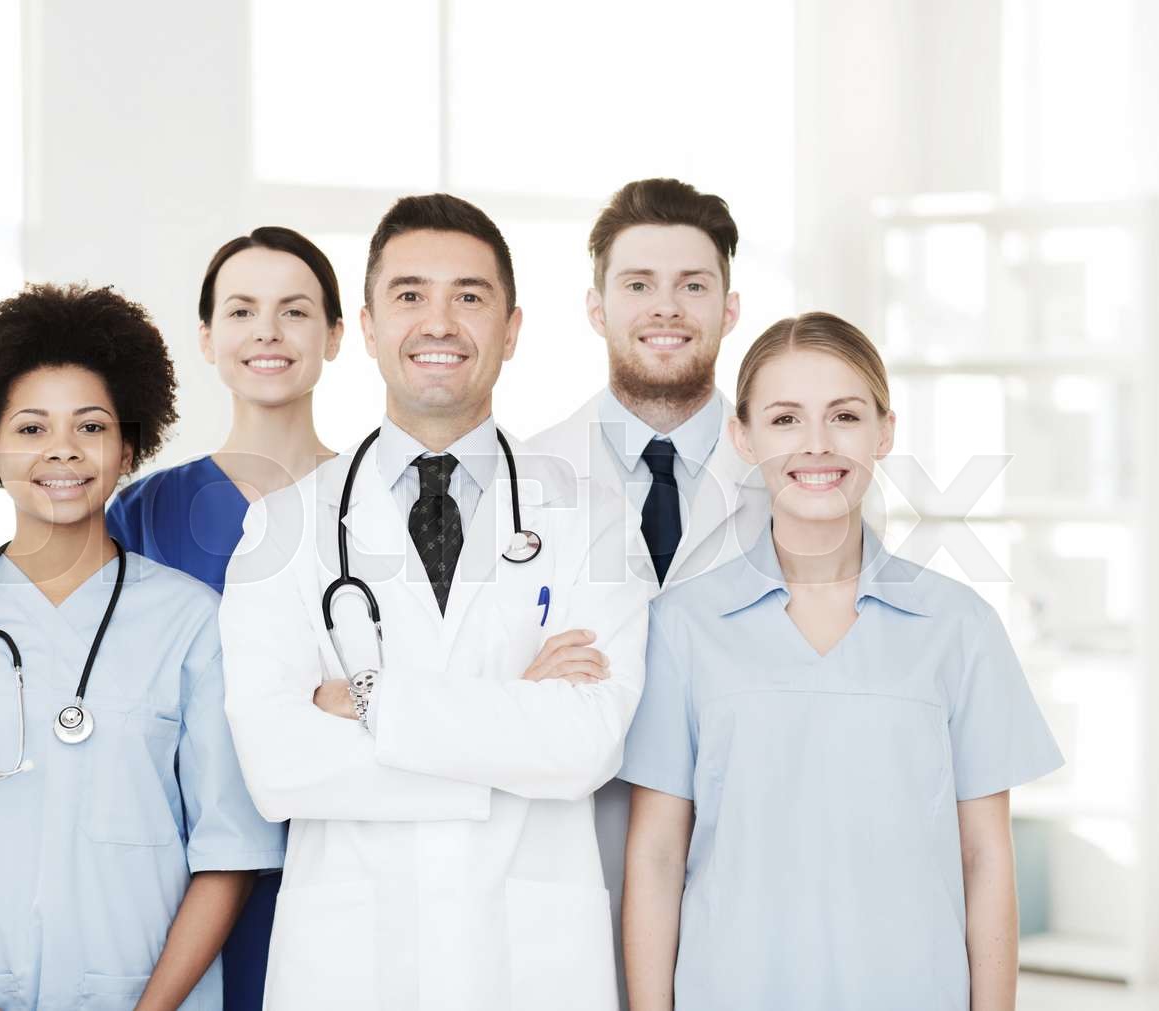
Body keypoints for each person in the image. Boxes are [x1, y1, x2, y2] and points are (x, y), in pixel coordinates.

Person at [218, 194, 650, 1011]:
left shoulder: (591, 516)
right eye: (411, 295)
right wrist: (514, 712)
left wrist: (372, 700)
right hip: (350, 967)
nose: (440, 322)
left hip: (533, 966)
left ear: (512, 329)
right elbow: (276, 766)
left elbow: (584, 745)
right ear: (371, 327)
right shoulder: (285, 525)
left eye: (471, 296)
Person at [0, 284, 284, 1011]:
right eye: (31, 428)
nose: (63, 448)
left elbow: (227, 851)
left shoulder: (194, 624)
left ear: (129, 446)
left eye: (90, 426)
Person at [618, 312, 1064, 1010]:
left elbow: (985, 857)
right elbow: (655, 857)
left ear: (885, 431)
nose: (817, 444)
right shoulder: (681, 628)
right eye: (786, 418)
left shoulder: (960, 627)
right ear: (744, 436)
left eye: (846, 415)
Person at [525, 177, 769, 1001]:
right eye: (638, 285)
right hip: (569, 845)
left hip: (746, 843)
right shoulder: (525, 478)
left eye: (693, 285)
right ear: (596, 306)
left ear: (729, 308)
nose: (666, 308)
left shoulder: (793, 478)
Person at [107, 226, 343, 1010]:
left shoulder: (387, 498)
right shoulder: (140, 512)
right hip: (186, 868)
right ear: (207, 339)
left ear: (336, 336)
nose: (268, 332)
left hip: (344, 851)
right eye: (242, 311)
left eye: (296, 311)